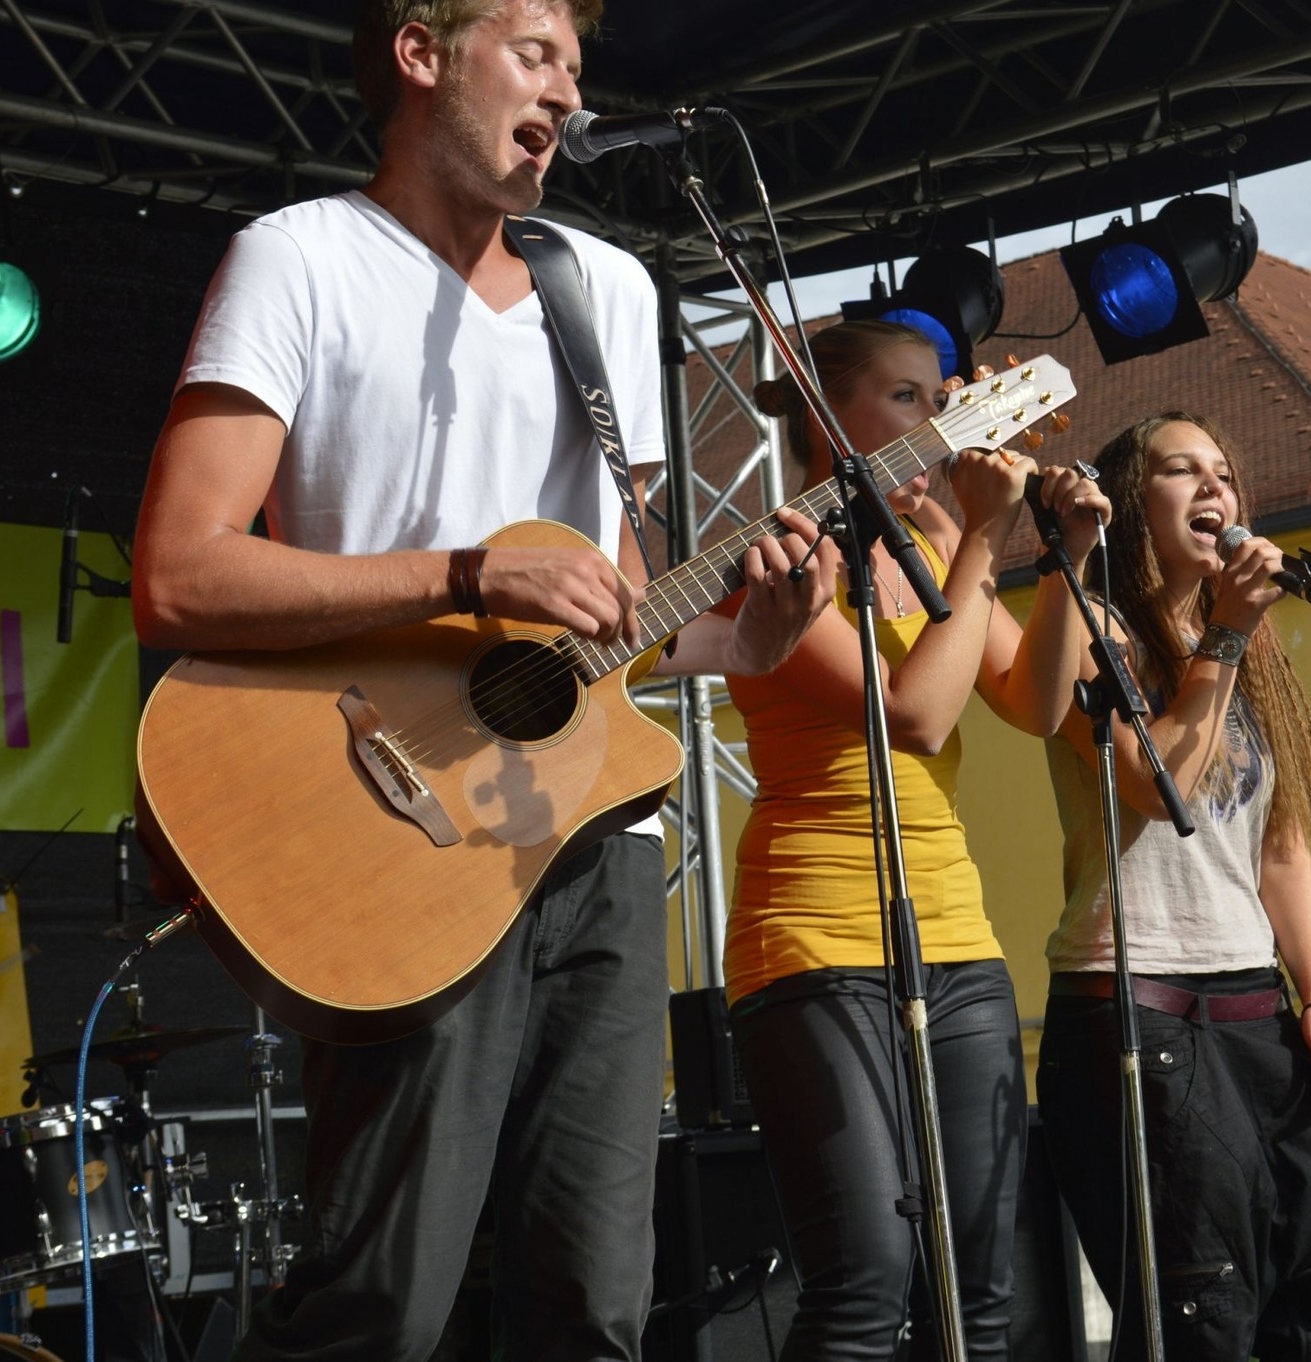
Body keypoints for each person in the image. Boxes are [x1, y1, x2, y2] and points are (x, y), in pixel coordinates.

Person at [130, 1, 835, 1357]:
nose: (568, 91)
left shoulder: (608, 291)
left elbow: (607, 623)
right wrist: (464, 573)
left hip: (593, 848)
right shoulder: (301, 260)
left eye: (577, 66)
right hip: (391, 817)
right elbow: (179, 571)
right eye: (533, 53)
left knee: (597, 1304)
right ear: (420, 54)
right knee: (381, 1304)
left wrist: (744, 640)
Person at [722, 319, 1109, 1361]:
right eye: (905, 399)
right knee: (863, 1284)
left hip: (954, 932)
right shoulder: (774, 558)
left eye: (940, 398)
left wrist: (1060, 552)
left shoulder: (934, 542)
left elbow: (1032, 705)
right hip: (811, 938)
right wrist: (984, 537)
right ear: (824, 415)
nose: (933, 421)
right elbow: (915, 714)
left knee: (981, 1289)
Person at [1034, 412, 1311, 1361]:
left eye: (1224, 472)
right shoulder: (1100, 629)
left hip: (1260, 1011)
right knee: (1204, 1315)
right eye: (1181, 471)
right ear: (1131, 504)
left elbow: (1281, 845)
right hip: (1143, 1011)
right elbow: (1156, 786)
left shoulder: (1252, 649)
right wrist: (1230, 637)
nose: (1215, 489)